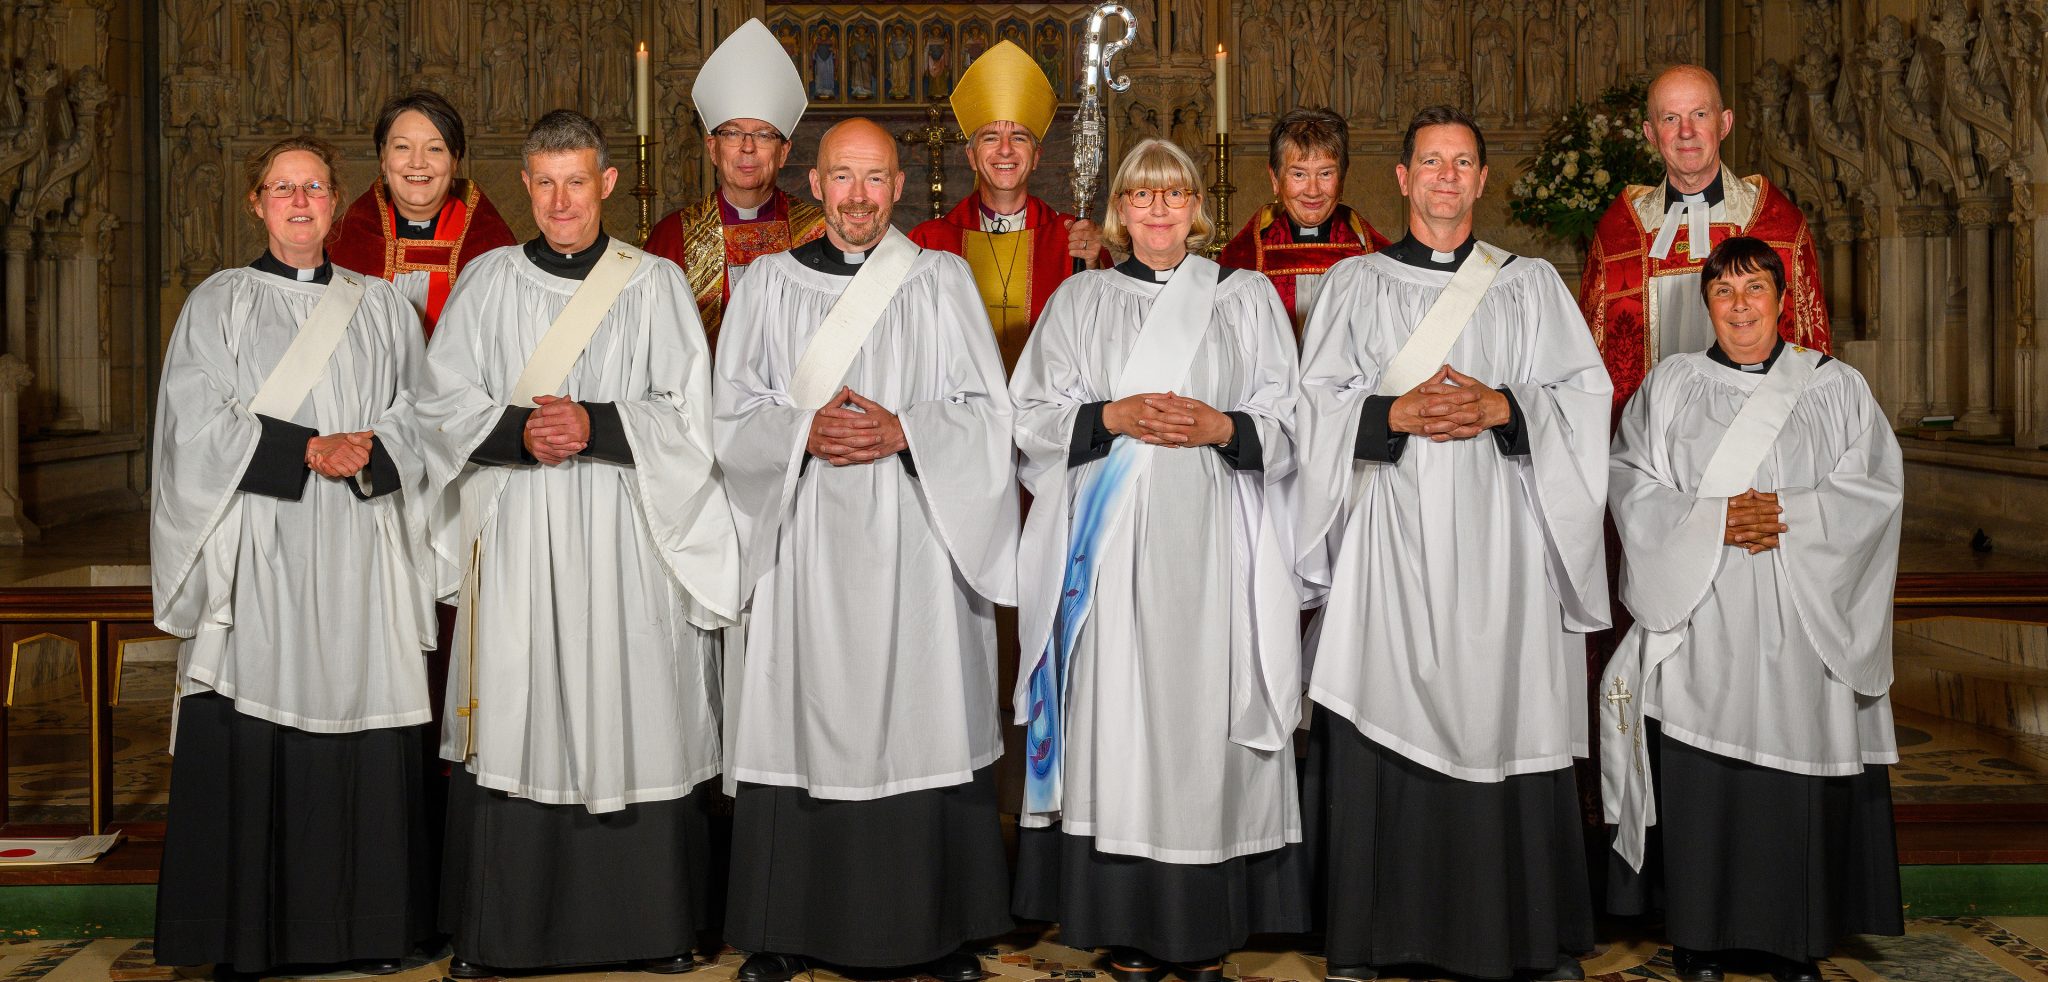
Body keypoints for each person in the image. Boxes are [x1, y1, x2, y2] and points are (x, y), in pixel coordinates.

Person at [416, 110, 740, 979]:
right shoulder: (486, 283)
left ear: (607, 184)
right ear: (526, 186)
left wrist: (594, 422)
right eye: (545, 183)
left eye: (577, 181)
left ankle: (653, 924)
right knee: (522, 704)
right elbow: (439, 409)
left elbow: (689, 417)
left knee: (631, 698)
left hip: (627, 535)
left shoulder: (657, 283)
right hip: (519, 534)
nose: (562, 200)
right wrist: (521, 431)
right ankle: (501, 934)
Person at [1295, 106, 1612, 982]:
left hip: (1501, 539)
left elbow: (1585, 395)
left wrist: (1506, 406)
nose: (1444, 177)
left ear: (1481, 180)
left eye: (1461, 163)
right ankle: (1370, 937)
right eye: (1429, 162)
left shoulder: (1531, 286)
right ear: (1400, 180)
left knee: (1504, 701)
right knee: (1379, 693)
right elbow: (1312, 407)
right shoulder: (1355, 285)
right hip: (1390, 534)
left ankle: (1526, 935)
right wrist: (1391, 412)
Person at [713, 118, 1018, 982]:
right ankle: (778, 930)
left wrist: (906, 428)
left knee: (922, 706)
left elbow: (987, 416)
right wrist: (802, 430)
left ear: (899, 188)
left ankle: (942, 927)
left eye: (875, 179)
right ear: (814, 184)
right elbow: (728, 417)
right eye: (842, 178)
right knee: (795, 710)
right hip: (804, 539)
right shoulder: (768, 285)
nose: (857, 197)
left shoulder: (940, 280)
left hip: (916, 538)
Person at [1008, 137, 1307, 979]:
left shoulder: (1242, 299)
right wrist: (1112, 415)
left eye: (1174, 195)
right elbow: (1029, 418)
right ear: (1120, 211)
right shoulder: (1081, 301)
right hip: (1108, 553)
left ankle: (1204, 931)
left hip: (1213, 545)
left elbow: (1287, 420)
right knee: (1121, 725)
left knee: (1201, 725)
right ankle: (1129, 928)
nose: (1159, 211)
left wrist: (1220, 426)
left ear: (1196, 208)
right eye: (1142, 197)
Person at [152, 136, 437, 981]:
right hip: (262, 547)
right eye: (283, 187)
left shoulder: (381, 306)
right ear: (256, 202)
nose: (301, 200)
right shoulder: (221, 303)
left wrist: (370, 450)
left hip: (359, 544)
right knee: (257, 724)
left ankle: (371, 928)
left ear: (337, 200)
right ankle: (248, 936)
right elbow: (192, 425)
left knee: (363, 711)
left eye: (314, 185)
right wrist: (307, 450)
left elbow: (424, 416)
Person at [1601, 236, 1903, 982]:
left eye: (1755, 289)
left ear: (1782, 297)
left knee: (1790, 785)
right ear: (1706, 304)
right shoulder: (1670, 387)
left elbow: (1874, 493)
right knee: (1704, 779)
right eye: (1724, 293)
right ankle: (1699, 939)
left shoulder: (1836, 388)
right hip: (1705, 616)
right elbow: (1631, 484)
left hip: (1801, 620)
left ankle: (1794, 944)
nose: (1740, 306)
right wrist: (1712, 522)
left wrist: (1789, 512)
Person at [1580, 65, 1830, 413]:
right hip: (1645, 445)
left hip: (1753, 438)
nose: (1686, 132)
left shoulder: (1778, 226)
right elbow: (1588, 364)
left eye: (1699, 114)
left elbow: (1809, 347)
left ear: (1724, 123)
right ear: (1651, 133)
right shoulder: (1620, 233)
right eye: (1670, 118)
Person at [908, 39, 1105, 372]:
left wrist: (1096, 266)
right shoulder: (929, 242)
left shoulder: (1072, 237)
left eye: (1018, 137)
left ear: (1036, 157)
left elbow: (1104, 330)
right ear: (971, 156)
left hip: (1046, 410)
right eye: (989, 137)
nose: (1004, 150)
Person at [645, 18, 825, 346]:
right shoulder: (673, 237)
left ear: (783, 153)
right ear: (713, 149)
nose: (747, 146)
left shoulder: (817, 234)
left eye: (763, 134)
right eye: (732, 132)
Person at [330, 90, 516, 334]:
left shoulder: (492, 245)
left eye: (435, 149)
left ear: (455, 160)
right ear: (383, 159)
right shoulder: (344, 242)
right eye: (403, 146)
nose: (417, 162)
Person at [1218, 108, 1390, 337]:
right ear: (1275, 179)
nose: (1313, 191)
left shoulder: (1376, 257)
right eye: (1298, 174)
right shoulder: (1241, 261)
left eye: (1325, 174)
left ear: (1342, 178)